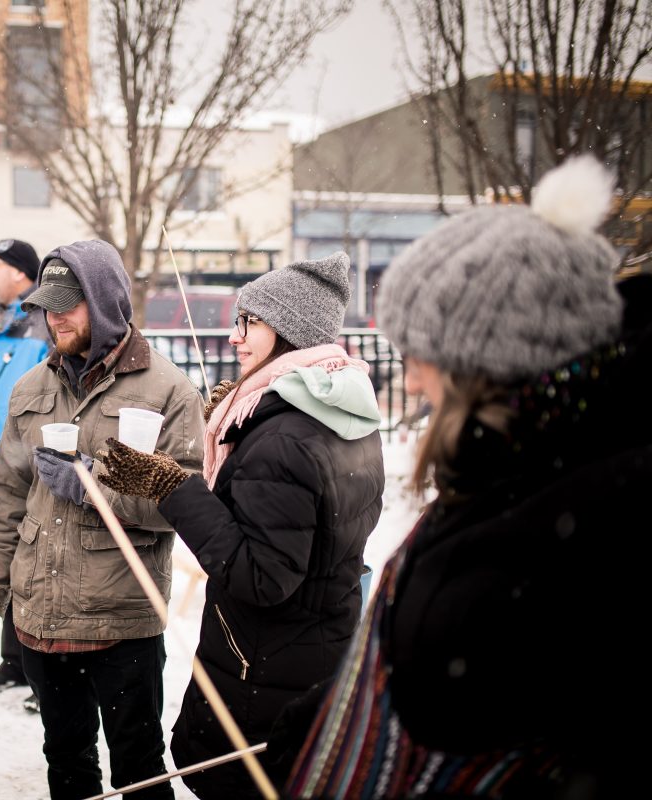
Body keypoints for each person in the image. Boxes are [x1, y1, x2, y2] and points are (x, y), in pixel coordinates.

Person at [288, 156, 650, 797]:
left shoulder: (599, 518)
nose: (414, 377)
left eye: (423, 353)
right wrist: (328, 710)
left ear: (490, 365)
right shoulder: (500, 466)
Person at [98, 252, 385, 797]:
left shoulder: (284, 440)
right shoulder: (341, 412)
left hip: (263, 677)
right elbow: (311, 528)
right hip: (314, 653)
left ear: (289, 333)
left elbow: (261, 577)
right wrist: (246, 422)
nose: (234, 337)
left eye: (248, 323)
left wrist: (172, 488)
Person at [0, 239, 206, 800]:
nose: (54, 315)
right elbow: (7, 510)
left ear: (107, 301)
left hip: (122, 622)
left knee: (139, 768)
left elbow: (186, 505)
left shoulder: (168, 391)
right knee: (66, 762)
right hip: (42, 623)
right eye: (47, 303)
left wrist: (96, 488)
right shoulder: (31, 389)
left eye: (69, 302)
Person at [0, 238, 49, 702]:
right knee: (8, 559)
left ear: (20, 273)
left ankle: (44, 670)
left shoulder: (44, 321)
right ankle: (15, 660)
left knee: (38, 565)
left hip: (32, 464)